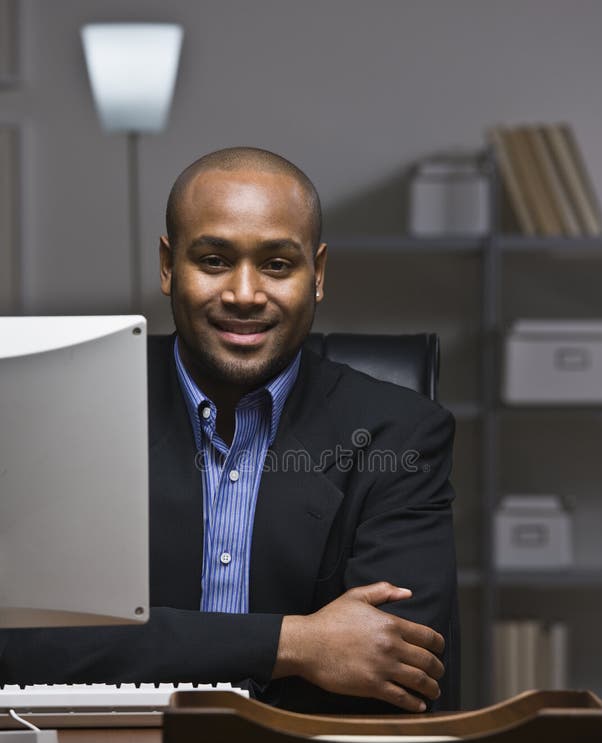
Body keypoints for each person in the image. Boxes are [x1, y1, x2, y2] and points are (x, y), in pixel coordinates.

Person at [0, 148, 458, 714]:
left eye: (277, 265)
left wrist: (154, 643)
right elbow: (25, 643)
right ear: (168, 266)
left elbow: (397, 656)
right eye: (214, 261)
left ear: (317, 275)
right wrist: (297, 644)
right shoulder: (63, 413)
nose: (244, 294)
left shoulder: (403, 433)